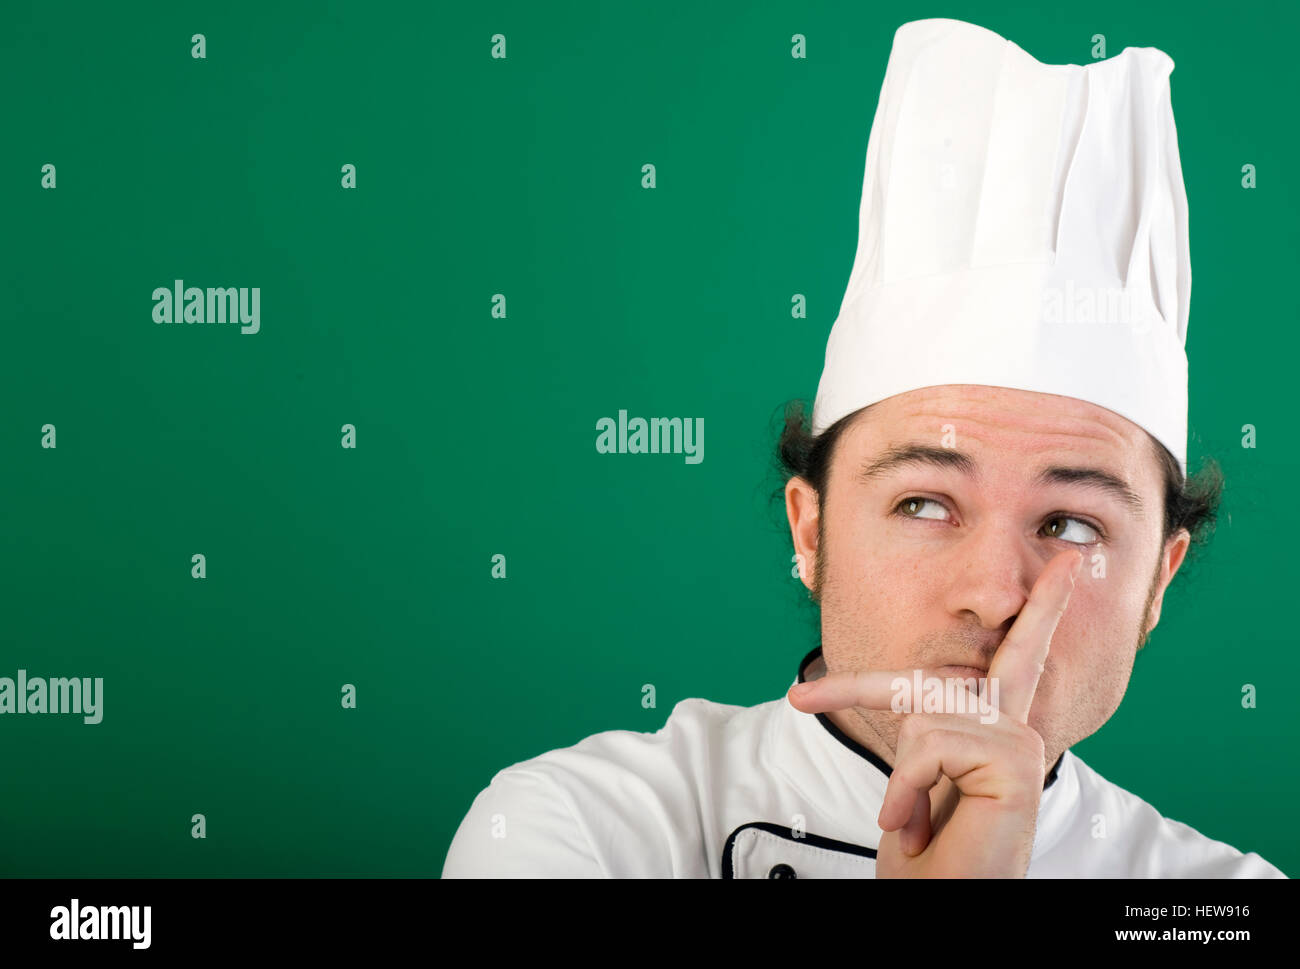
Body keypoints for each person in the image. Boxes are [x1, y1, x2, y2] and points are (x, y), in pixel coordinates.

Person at [441, 18, 1286, 878]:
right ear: (811, 533)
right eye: (924, 502)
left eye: (1071, 524)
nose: (994, 597)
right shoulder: (579, 829)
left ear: (1157, 583)